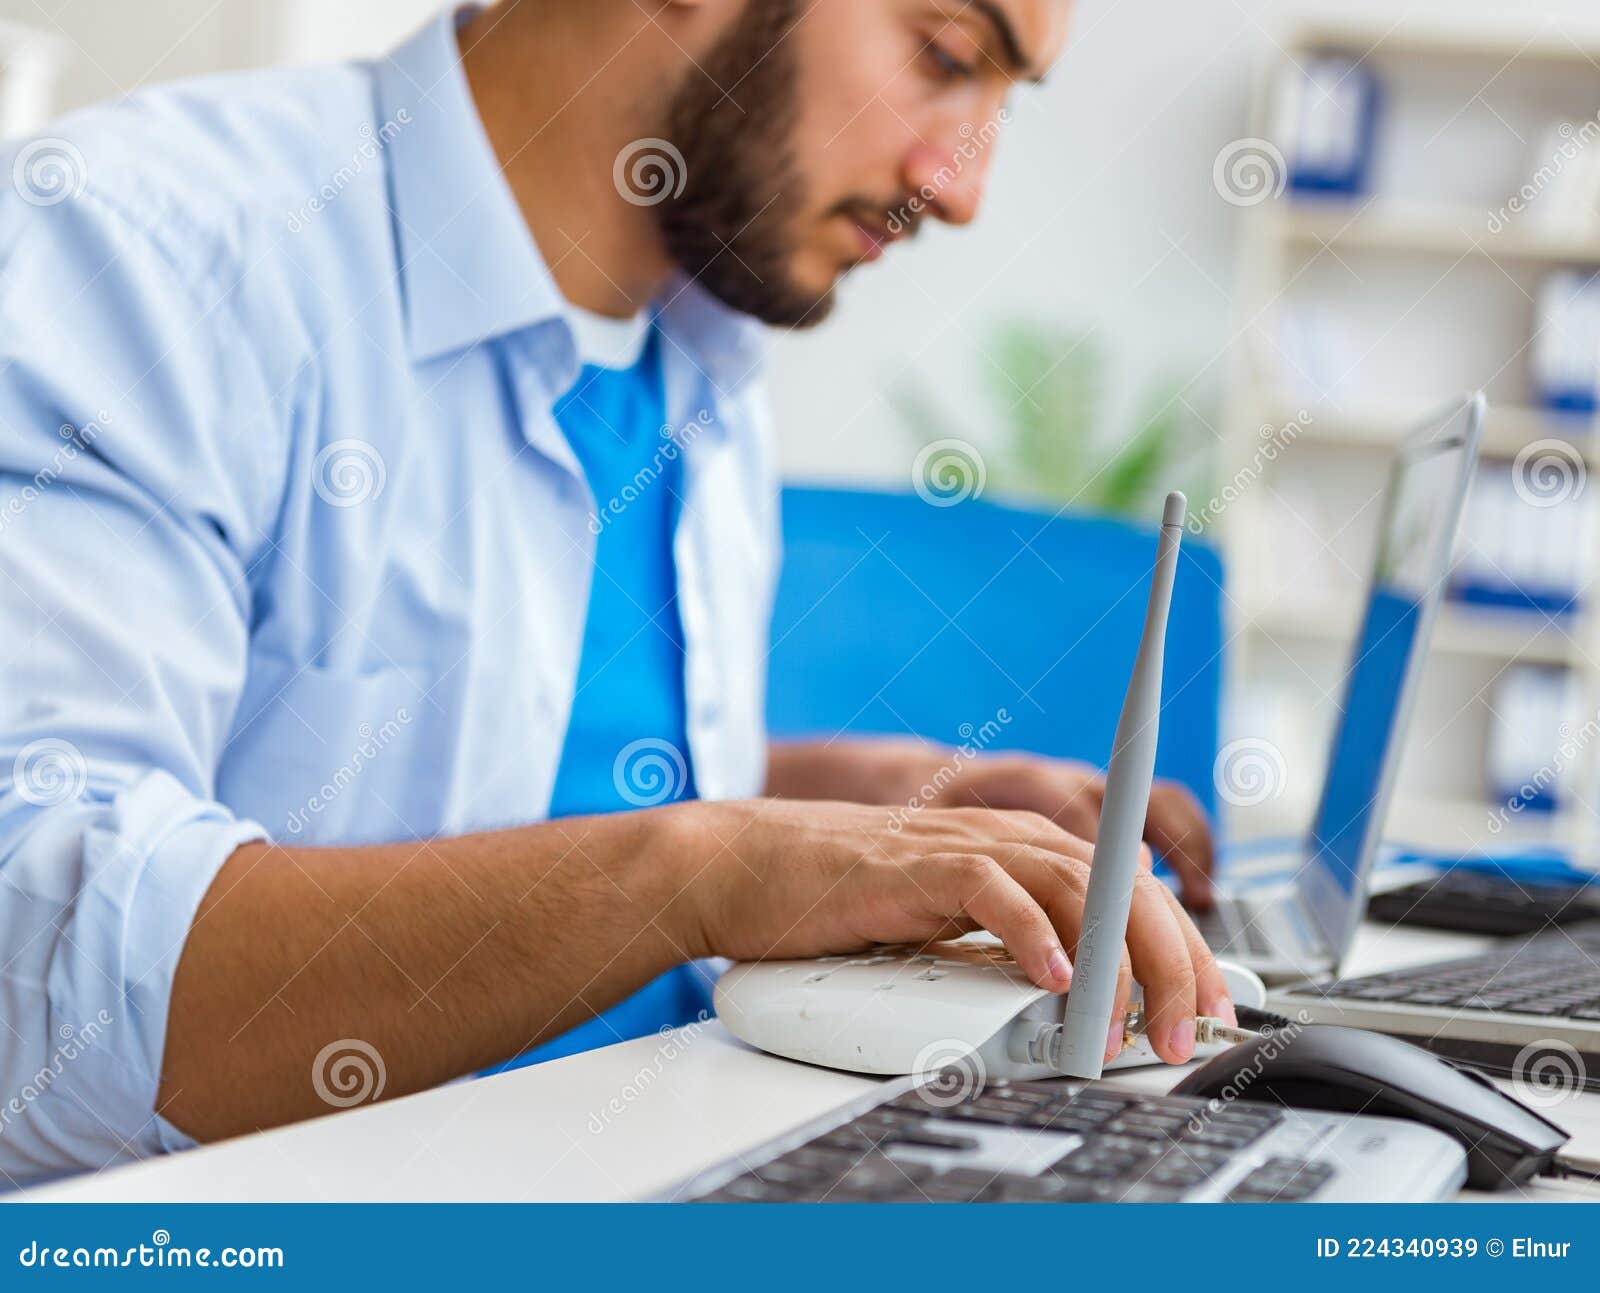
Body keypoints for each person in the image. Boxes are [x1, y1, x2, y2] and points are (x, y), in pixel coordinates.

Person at [0, 0, 1225, 1186]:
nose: (959, 187)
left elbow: (540, 779)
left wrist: (884, 810)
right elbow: (40, 985)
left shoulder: (703, 334)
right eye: (946, 52)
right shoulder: (142, 249)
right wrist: (692, 867)